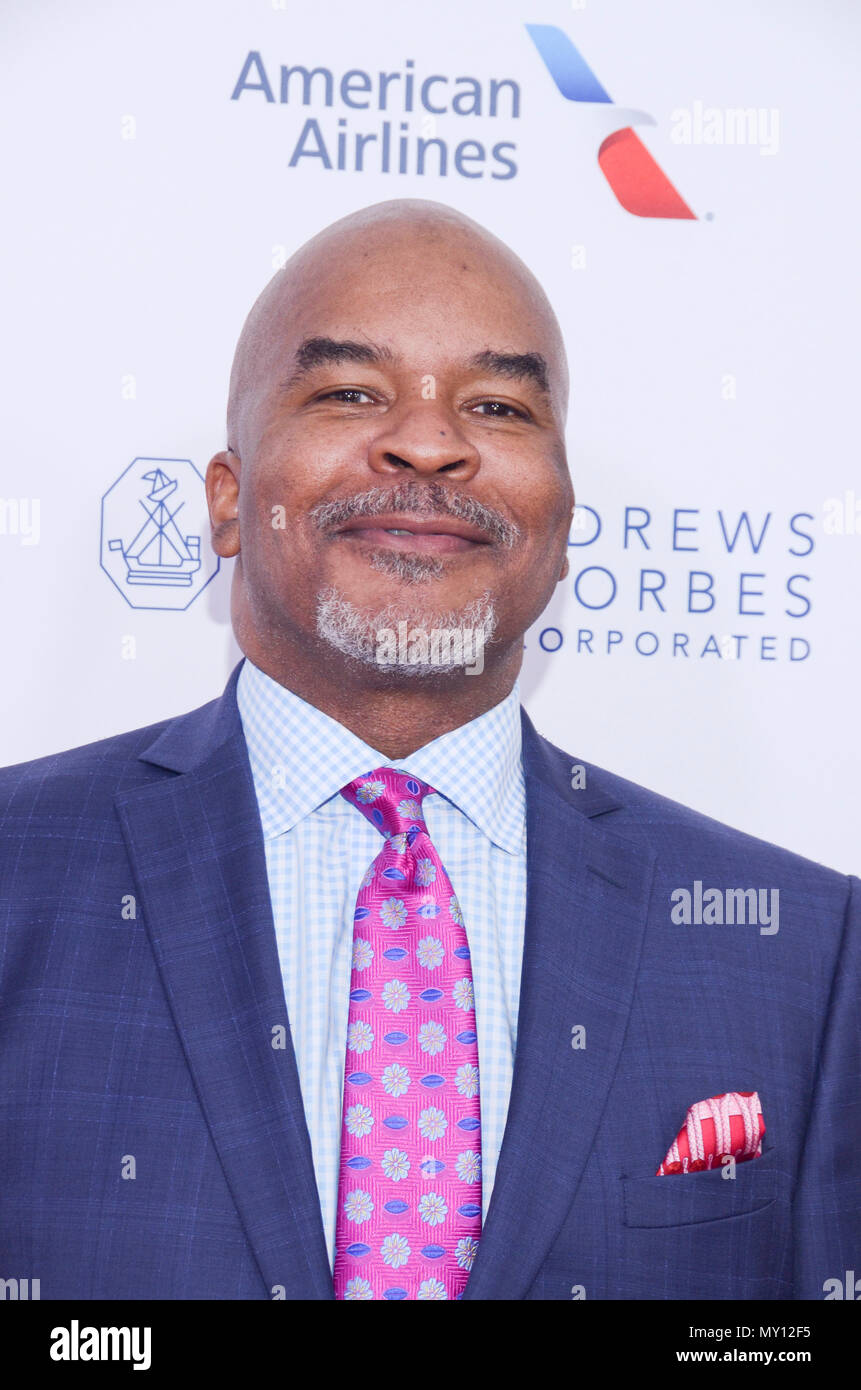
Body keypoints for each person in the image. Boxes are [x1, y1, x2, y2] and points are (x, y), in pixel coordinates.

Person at [1, 199, 857, 1301]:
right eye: (351, 390)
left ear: (559, 528)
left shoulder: (802, 950)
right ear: (225, 501)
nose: (429, 440)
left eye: (495, 404)